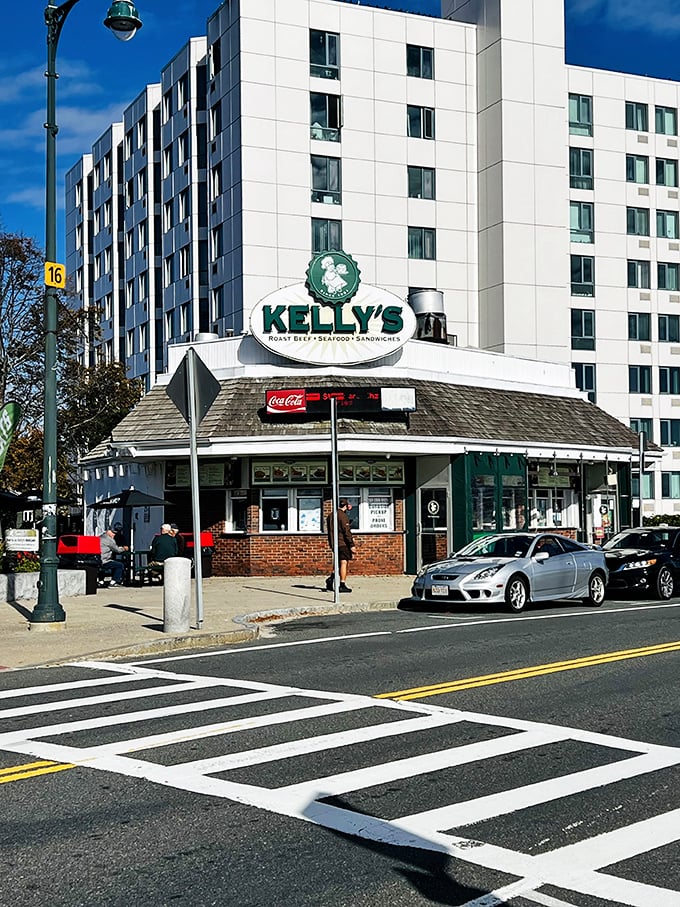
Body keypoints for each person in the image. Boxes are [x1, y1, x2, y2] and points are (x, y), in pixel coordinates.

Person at [326, 498, 356, 593]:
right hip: (343, 543)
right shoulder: (342, 516)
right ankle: (342, 584)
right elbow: (346, 531)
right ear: (345, 506)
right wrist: (351, 544)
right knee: (343, 563)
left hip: (334, 543)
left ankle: (331, 579)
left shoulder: (330, 516)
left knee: (337, 563)